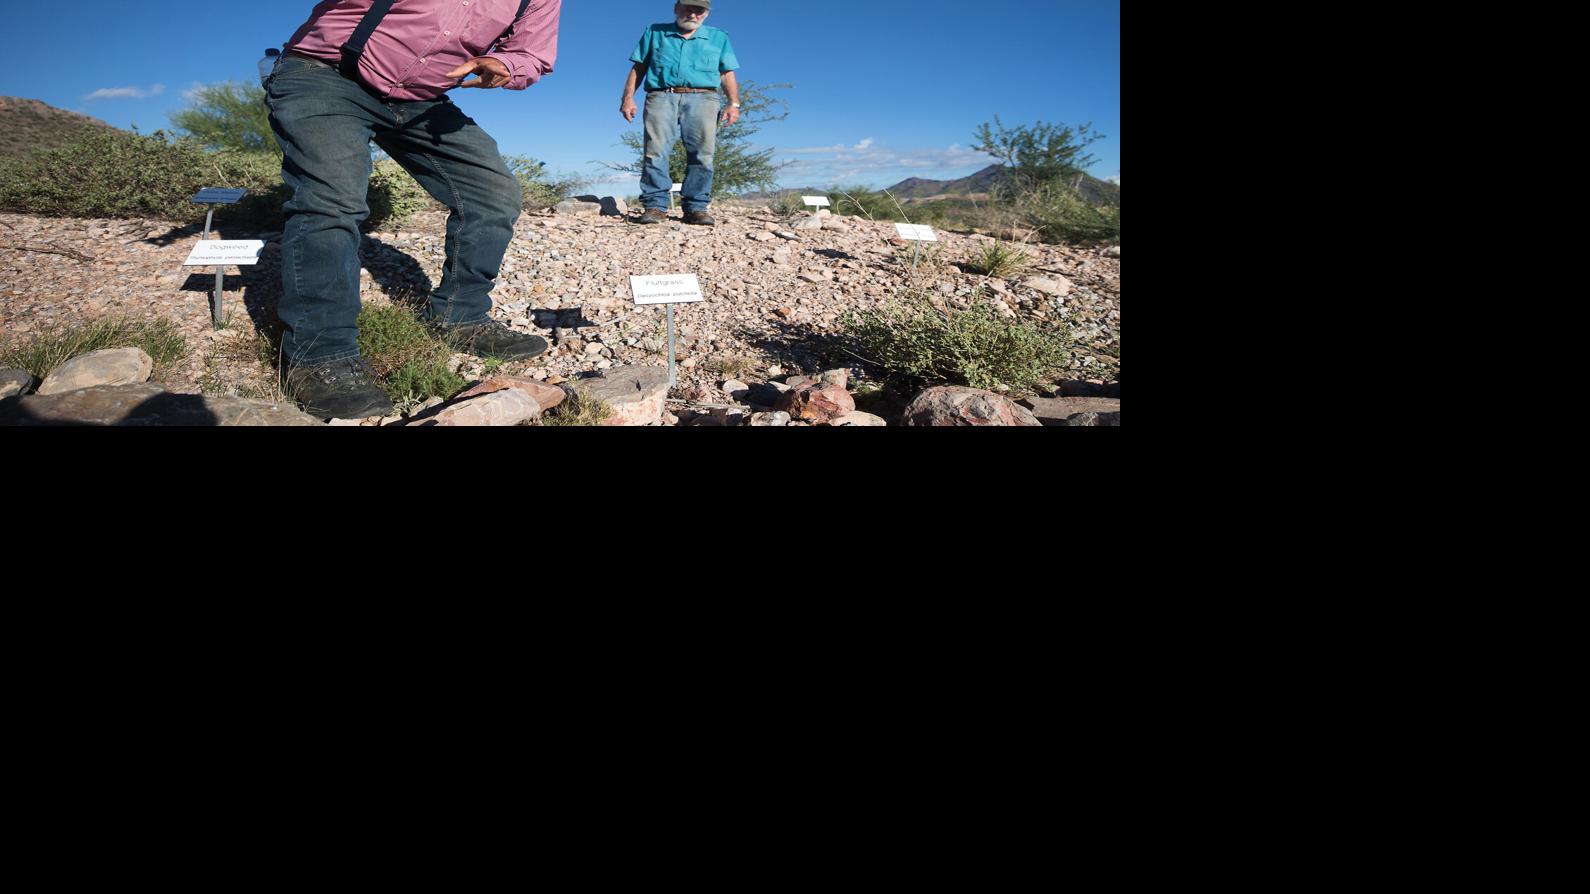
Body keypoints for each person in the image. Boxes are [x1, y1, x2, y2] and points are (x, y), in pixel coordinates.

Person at [266, 0, 561, 419]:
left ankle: (461, 317)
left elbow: (532, 54)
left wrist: (504, 64)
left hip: (419, 99)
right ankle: (319, 355)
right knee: (330, 202)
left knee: (492, 192)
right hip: (326, 74)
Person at [620, 1, 741, 227]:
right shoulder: (655, 32)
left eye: (699, 10)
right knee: (655, 151)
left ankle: (696, 208)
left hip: (704, 98)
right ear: (676, 8)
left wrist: (734, 103)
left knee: (702, 154)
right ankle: (655, 206)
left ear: (706, 14)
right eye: (687, 8)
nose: (692, 14)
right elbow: (639, 67)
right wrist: (627, 98)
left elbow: (726, 72)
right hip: (661, 95)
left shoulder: (718, 37)